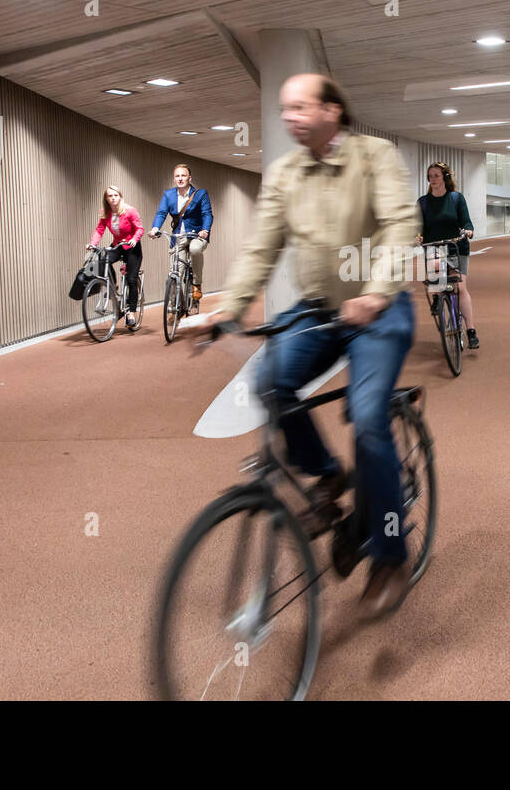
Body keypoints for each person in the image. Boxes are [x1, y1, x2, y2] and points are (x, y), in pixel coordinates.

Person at [189, 73, 419, 622]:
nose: (290, 117)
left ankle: (390, 556)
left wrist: (376, 290)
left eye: (300, 107)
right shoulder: (287, 173)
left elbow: (400, 224)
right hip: (321, 311)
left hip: (378, 308)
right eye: (284, 109)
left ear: (332, 111)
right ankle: (326, 475)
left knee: (366, 418)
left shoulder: (373, 157)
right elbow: (261, 246)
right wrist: (229, 308)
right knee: (269, 381)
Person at [415, 162, 478, 349]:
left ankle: (471, 331)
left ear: (445, 177)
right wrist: (417, 236)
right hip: (433, 247)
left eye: (436, 175)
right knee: (436, 283)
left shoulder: (456, 198)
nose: (432, 179)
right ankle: (437, 297)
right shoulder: (423, 203)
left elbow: (466, 221)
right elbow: (419, 228)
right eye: (430, 176)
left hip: (456, 247)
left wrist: (468, 231)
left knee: (459, 287)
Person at [149, 164, 212, 305]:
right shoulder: (168, 195)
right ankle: (174, 306)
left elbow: (207, 214)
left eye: (183, 175)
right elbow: (161, 213)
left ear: (190, 178)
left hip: (197, 235)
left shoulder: (201, 194)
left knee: (195, 249)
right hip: (178, 236)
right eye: (177, 176)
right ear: (174, 178)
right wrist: (155, 228)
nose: (180, 178)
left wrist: (205, 230)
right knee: (174, 272)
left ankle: (196, 284)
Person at [88, 185, 144, 328]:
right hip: (117, 245)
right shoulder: (105, 213)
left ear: (120, 196)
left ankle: (131, 313)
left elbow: (140, 228)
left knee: (131, 280)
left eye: (115, 195)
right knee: (102, 260)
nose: (113, 198)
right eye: (110, 196)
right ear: (106, 199)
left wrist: (135, 239)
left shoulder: (129, 211)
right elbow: (99, 230)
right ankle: (112, 286)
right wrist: (92, 244)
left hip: (132, 247)